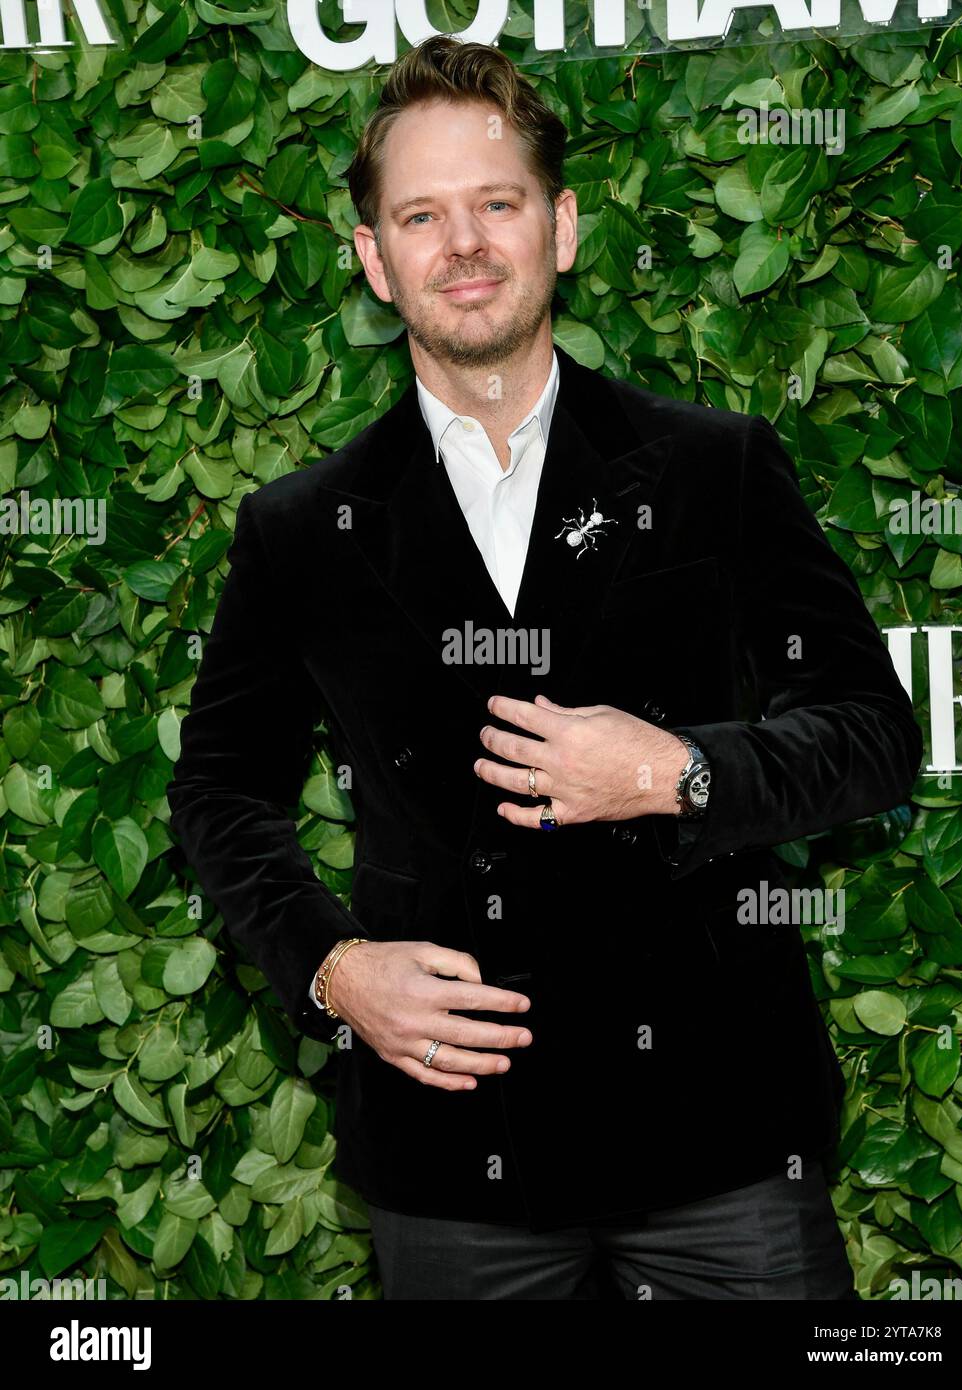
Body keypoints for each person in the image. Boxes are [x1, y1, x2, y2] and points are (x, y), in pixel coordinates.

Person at [166, 35, 922, 1300]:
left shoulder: (712, 468)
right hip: (454, 1162)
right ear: (375, 260)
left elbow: (871, 734)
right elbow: (219, 795)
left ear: (559, 228)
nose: (462, 243)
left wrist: (681, 769)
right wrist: (334, 969)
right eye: (420, 215)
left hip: (721, 1147)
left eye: (494, 204)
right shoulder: (302, 531)